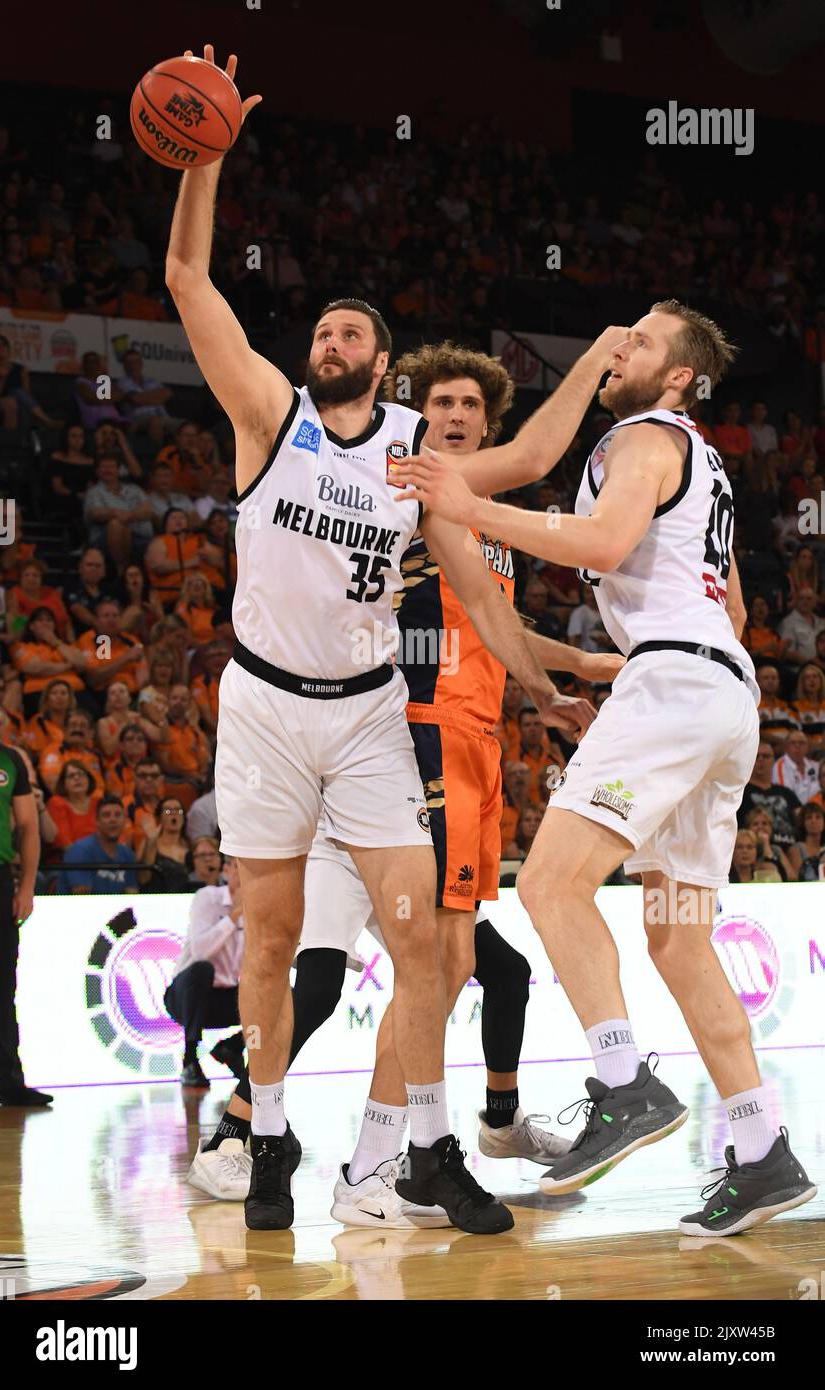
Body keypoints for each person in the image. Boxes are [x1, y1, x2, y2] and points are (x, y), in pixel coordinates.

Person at [165, 43, 587, 1236]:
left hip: (361, 713)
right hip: (258, 705)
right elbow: (189, 276)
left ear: (383, 362)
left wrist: (539, 678)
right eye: (326, 328)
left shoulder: (417, 458)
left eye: (354, 331)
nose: (333, 338)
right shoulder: (267, 415)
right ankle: (272, 1131)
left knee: (428, 946)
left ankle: (424, 1154)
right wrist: (204, 161)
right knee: (272, 939)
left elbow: (490, 562)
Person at [395, 299, 817, 1234]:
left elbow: (599, 544)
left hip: (668, 687)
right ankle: (762, 1152)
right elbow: (736, 608)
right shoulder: (702, 461)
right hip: (723, 697)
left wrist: (470, 505)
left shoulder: (642, 438)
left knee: (550, 885)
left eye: (641, 340)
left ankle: (623, 1084)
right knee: (676, 936)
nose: (620, 347)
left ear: (675, 375)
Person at [188, 338, 618, 1214]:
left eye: (471, 408)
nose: (454, 418)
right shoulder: (410, 490)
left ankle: (418, 1138)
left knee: (414, 963)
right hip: (406, 739)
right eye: (443, 405)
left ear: (485, 422)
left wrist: (565, 668)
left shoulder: (475, 520)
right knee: (396, 959)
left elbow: (494, 621)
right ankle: (351, 1154)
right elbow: (530, 466)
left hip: (459, 747)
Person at [0, 704, 50, 1106]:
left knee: (1, 988)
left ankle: (10, 1083)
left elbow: (28, 826)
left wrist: (26, 885)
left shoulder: (7, 760)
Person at [164, 856, 247, 1091]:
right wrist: (236, 914)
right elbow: (201, 951)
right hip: (185, 996)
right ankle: (190, 1060)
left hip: (227, 997)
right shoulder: (208, 898)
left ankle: (234, 1046)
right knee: (202, 969)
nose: (248, 876)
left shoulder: (259, 908)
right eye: (241, 868)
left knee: (286, 995)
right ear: (227, 870)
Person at [58, 796, 138, 894]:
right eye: (106, 815)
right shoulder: (80, 851)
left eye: (118, 815)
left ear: (125, 821)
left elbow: (132, 894)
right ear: (97, 821)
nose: (113, 820)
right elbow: (81, 899)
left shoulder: (128, 855)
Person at [738, 739, 802, 850]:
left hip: (791, 849)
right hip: (755, 849)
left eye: (766, 756)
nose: (760, 759)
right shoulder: (740, 792)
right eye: (756, 756)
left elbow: (802, 820)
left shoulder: (787, 793)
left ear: (773, 760)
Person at [139, 796, 191, 893]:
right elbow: (143, 879)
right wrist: (151, 842)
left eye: (178, 811)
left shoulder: (191, 847)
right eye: (168, 811)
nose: (174, 814)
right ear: (159, 818)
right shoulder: (149, 842)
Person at [742, 807, 793, 881]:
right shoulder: (743, 849)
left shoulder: (776, 849)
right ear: (748, 828)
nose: (760, 827)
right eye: (755, 824)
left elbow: (792, 877)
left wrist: (766, 843)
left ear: (771, 828)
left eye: (764, 823)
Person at [772, 729, 820, 802]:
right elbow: (785, 794)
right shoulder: (780, 766)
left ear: (808, 747)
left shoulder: (816, 766)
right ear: (786, 746)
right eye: (793, 743)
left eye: (801, 743)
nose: (797, 746)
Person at [788, 802, 825, 881]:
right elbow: (798, 880)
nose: (813, 821)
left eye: (818, 817)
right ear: (803, 823)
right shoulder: (796, 849)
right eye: (809, 818)